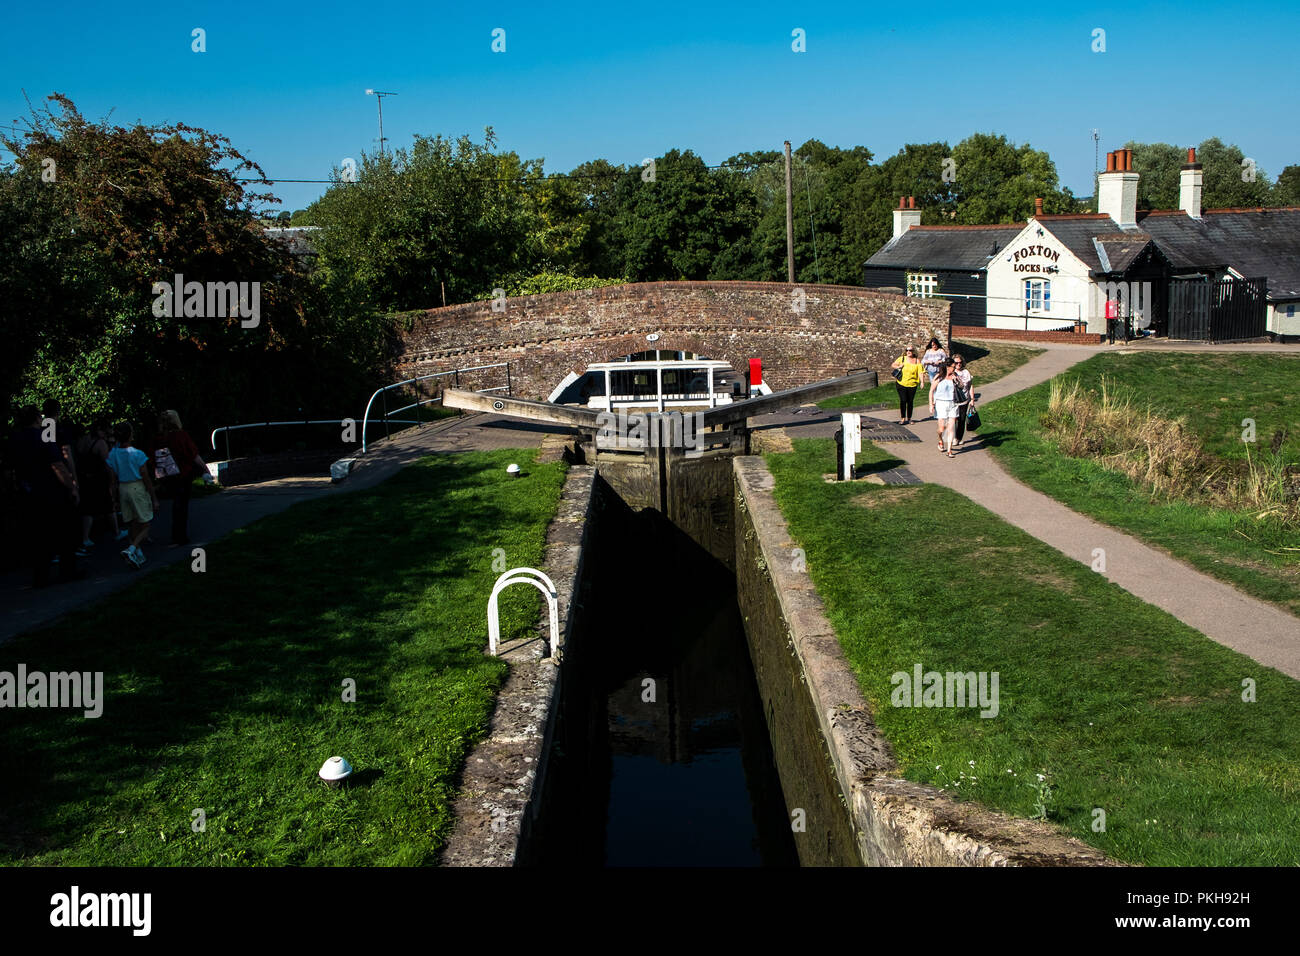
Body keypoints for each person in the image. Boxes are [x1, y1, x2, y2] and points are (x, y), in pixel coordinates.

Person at [12, 405, 84, 586]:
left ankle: (40, 575)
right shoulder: (43, 437)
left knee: (38, 536)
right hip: (51, 490)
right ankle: (68, 570)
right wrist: (72, 486)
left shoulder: (16, 438)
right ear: (38, 418)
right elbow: (57, 465)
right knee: (64, 532)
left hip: (28, 491)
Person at [150, 410, 206, 546]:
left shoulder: (159, 438)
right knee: (181, 506)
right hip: (183, 474)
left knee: (176, 505)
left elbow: (153, 458)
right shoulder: (181, 436)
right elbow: (193, 454)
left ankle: (177, 536)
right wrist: (205, 468)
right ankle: (180, 537)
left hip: (168, 476)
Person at [106, 422, 158, 569]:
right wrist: (153, 496)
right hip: (137, 487)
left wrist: (114, 497)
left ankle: (137, 553)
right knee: (145, 523)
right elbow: (145, 476)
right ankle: (132, 548)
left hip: (123, 488)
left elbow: (112, 479)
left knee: (131, 523)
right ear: (130, 435)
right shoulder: (137, 454)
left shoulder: (113, 454)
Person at [76, 419, 121, 549]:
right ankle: (116, 531)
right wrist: (112, 480)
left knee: (88, 509)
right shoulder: (100, 443)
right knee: (108, 505)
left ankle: (85, 537)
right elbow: (108, 464)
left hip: (85, 478)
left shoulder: (82, 440)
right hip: (98, 478)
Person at [928, 362, 959, 458]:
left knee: (951, 427)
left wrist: (956, 381)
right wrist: (931, 404)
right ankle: (940, 439)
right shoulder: (939, 376)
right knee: (941, 428)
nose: (954, 369)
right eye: (953, 367)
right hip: (941, 403)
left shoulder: (955, 376)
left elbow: (961, 387)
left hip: (953, 403)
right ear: (947, 367)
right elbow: (931, 391)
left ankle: (949, 450)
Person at [889, 346, 926, 425]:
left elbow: (920, 372)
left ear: (913, 351)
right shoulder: (902, 358)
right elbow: (893, 365)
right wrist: (899, 366)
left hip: (912, 384)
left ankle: (909, 418)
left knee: (910, 402)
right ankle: (902, 418)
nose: (908, 351)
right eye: (907, 350)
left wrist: (922, 382)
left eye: (910, 350)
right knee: (903, 400)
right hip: (901, 383)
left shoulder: (917, 361)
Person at [951, 354, 974, 448]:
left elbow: (970, 386)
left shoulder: (966, 372)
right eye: (956, 363)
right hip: (953, 400)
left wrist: (972, 399)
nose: (958, 364)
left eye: (960, 362)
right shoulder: (950, 373)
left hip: (964, 399)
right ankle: (951, 437)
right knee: (952, 419)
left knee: (961, 420)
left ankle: (958, 438)